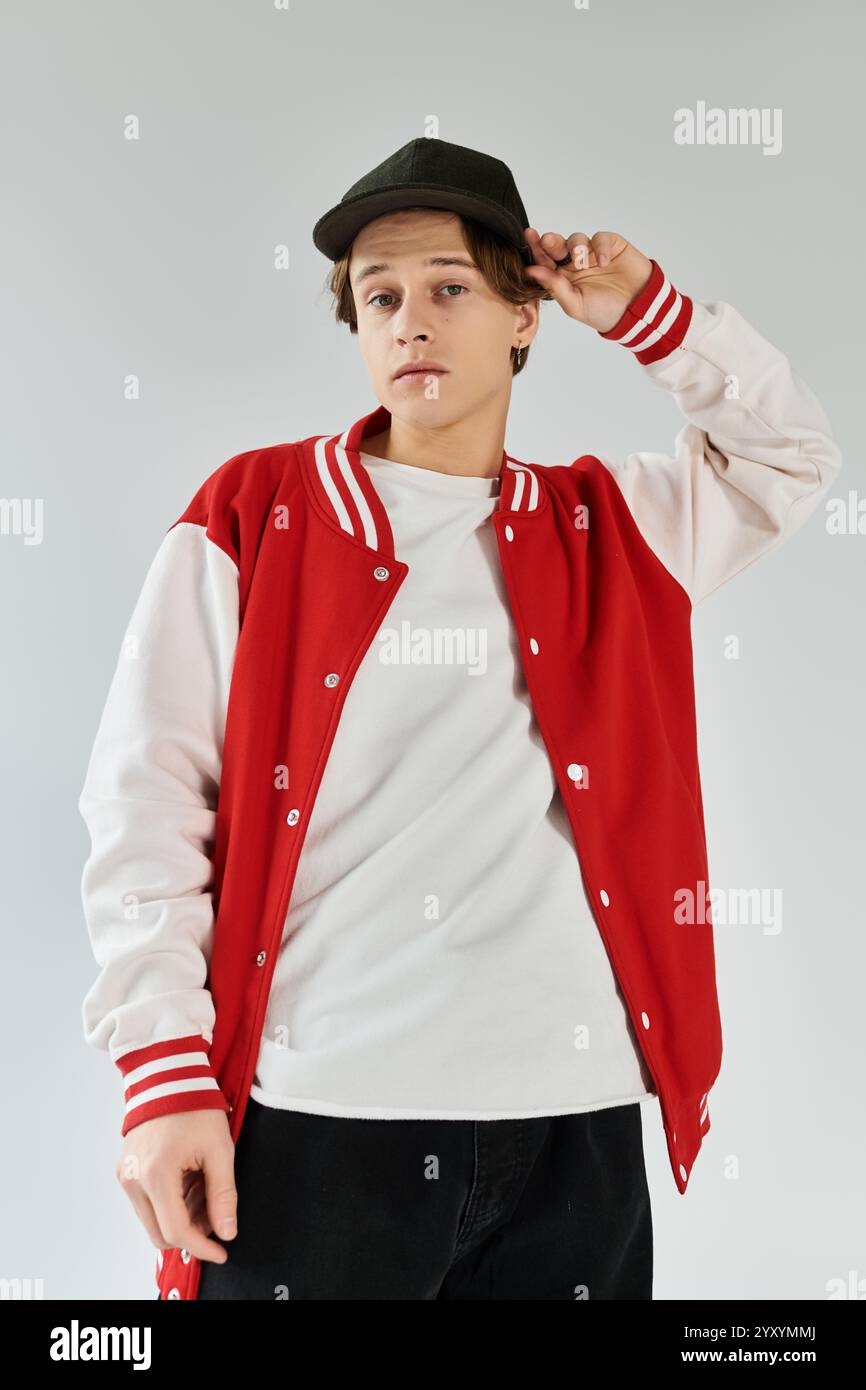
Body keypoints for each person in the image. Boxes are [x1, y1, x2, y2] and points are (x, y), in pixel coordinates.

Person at [78, 137, 841, 1301]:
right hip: (324, 1120)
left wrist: (649, 312)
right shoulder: (255, 512)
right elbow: (146, 799)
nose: (410, 321)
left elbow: (787, 457)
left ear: (526, 315)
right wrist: (164, 1075)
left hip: (572, 1123)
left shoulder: (611, 522)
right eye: (379, 295)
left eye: (450, 287)